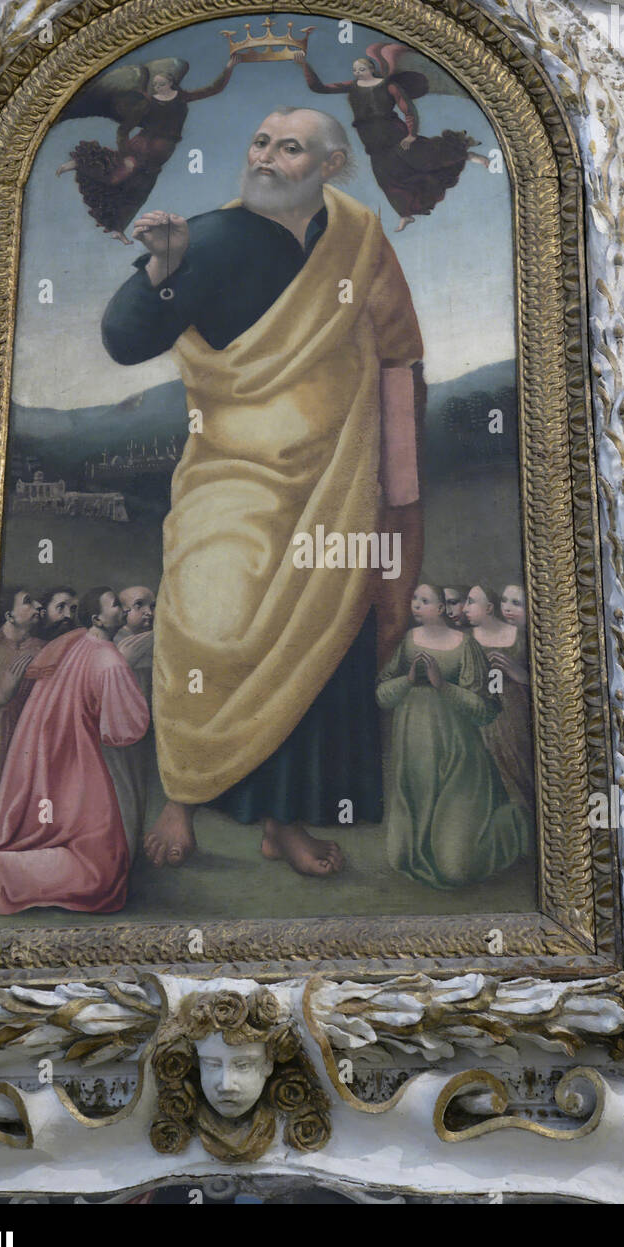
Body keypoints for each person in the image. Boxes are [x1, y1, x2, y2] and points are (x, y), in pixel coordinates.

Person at [102, 107, 424, 877]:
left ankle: (284, 820)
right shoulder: (205, 238)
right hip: (233, 478)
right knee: (206, 623)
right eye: (259, 141)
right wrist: (161, 272)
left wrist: (402, 485)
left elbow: (399, 357)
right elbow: (124, 339)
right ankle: (180, 798)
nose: (268, 156)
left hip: (336, 481)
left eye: (289, 147)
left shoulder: (358, 237)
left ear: (330, 164)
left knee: (317, 640)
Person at [0, 586, 150, 914]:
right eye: (117, 605)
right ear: (98, 616)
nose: (123, 610)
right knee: (104, 874)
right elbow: (122, 731)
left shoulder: (75, 642)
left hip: (52, 755)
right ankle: (2, 872)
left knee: (63, 831)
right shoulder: (108, 659)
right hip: (79, 760)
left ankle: (10, 859)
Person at [376, 583, 531, 889]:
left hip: (460, 762)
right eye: (414, 598)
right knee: (400, 857)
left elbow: (486, 709)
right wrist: (407, 680)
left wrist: (442, 685)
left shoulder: (464, 645)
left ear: (442, 609)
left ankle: (516, 824)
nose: (416, 604)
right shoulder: (408, 642)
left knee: (456, 868)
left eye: (425, 600)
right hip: (414, 760)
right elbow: (381, 694)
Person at [299, 47, 489, 232]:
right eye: (355, 70)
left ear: (372, 69)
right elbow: (319, 88)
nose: (358, 73)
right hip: (371, 139)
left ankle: (467, 155)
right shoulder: (352, 86)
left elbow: (408, 109)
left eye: (362, 69)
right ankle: (405, 214)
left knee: (425, 157)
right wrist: (304, 65)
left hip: (392, 132)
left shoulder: (388, 85)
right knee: (387, 178)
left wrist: (411, 134)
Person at [56, 57, 238, 243]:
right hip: (142, 147)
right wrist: (126, 155)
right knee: (114, 178)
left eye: (161, 84)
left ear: (171, 84)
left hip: (162, 153)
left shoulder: (182, 98)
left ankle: (117, 228)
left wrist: (229, 67)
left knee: (139, 192)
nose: (158, 87)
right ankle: (80, 163)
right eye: (156, 84)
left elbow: (214, 89)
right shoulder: (147, 104)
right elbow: (123, 130)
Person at [470, 580, 536, 817]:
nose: (508, 608)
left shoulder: (531, 640)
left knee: (519, 766)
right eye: (505, 601)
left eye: (516, 603)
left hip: (516, 713)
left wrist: (522, 676)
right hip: (488, 713)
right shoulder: (489, 635)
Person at [105, 584, 157, 858]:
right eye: (139, 606)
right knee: (121, 791)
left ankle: (131, 851)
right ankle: (121, 851)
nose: (149, 612)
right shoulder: (121, 641)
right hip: (118, 731)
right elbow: (126, 655)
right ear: (124, 611)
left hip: (140, 729)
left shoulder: (144, 638)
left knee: (138, 789)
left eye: (152, 606)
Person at [0, 585, 45, 812]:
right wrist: (4, 694)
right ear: (9, 615)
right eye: (28, 601)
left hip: (28, 734)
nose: (38, 606)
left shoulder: (42, 649)